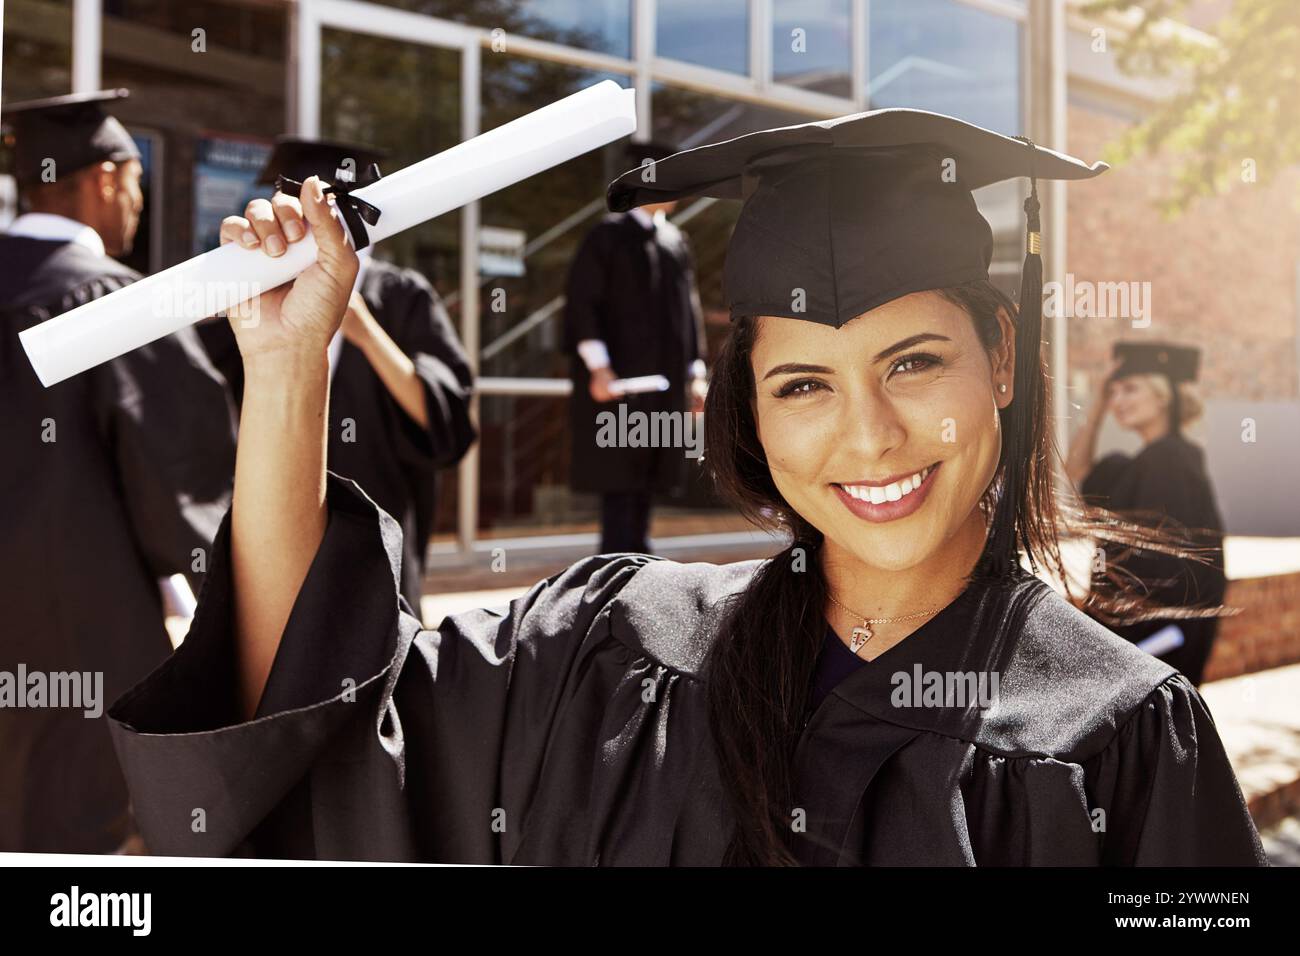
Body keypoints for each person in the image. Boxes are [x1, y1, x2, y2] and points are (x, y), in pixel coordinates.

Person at [106, 109, 1265, 865]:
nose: (867, 434)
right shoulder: (613, 649)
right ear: (749, 403)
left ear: (1001, 357)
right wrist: (286, 361)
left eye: (914, 362)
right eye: (803, 382)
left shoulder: (1118, 736)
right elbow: (304, 706)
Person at [0, 89, 236, 852]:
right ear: (105, 179)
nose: (136, 203)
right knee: (78, 851)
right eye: (136, 181)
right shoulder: (114, 304)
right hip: (74, 654)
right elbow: (194, 501)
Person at [197, 137, 476, 612]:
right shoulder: (258, 291)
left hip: (377, 519)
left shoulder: (401, 293)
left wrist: (366, 333)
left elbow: (443, 419)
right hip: (270, 521)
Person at [563, 140, 708, 555]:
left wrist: (695, 374)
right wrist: (598, 367)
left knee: (648, 481)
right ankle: (613, 570)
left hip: (664, 386)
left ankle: (637, 562)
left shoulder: (676, 242)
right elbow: (582, 304)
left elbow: (689, 311)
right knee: (620, 483)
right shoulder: (606, 237)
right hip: (620, 386)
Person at [1066, 342, 1226, 686]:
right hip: (1138, 639)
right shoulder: (1133, 467)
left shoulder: (1170, 462)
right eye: (1114, 392)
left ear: (1162, 395)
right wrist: (1096, 403)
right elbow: (1075, 469)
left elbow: (1167, 571)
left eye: (1130, 388)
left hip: (1154, 644)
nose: (1118, 401)